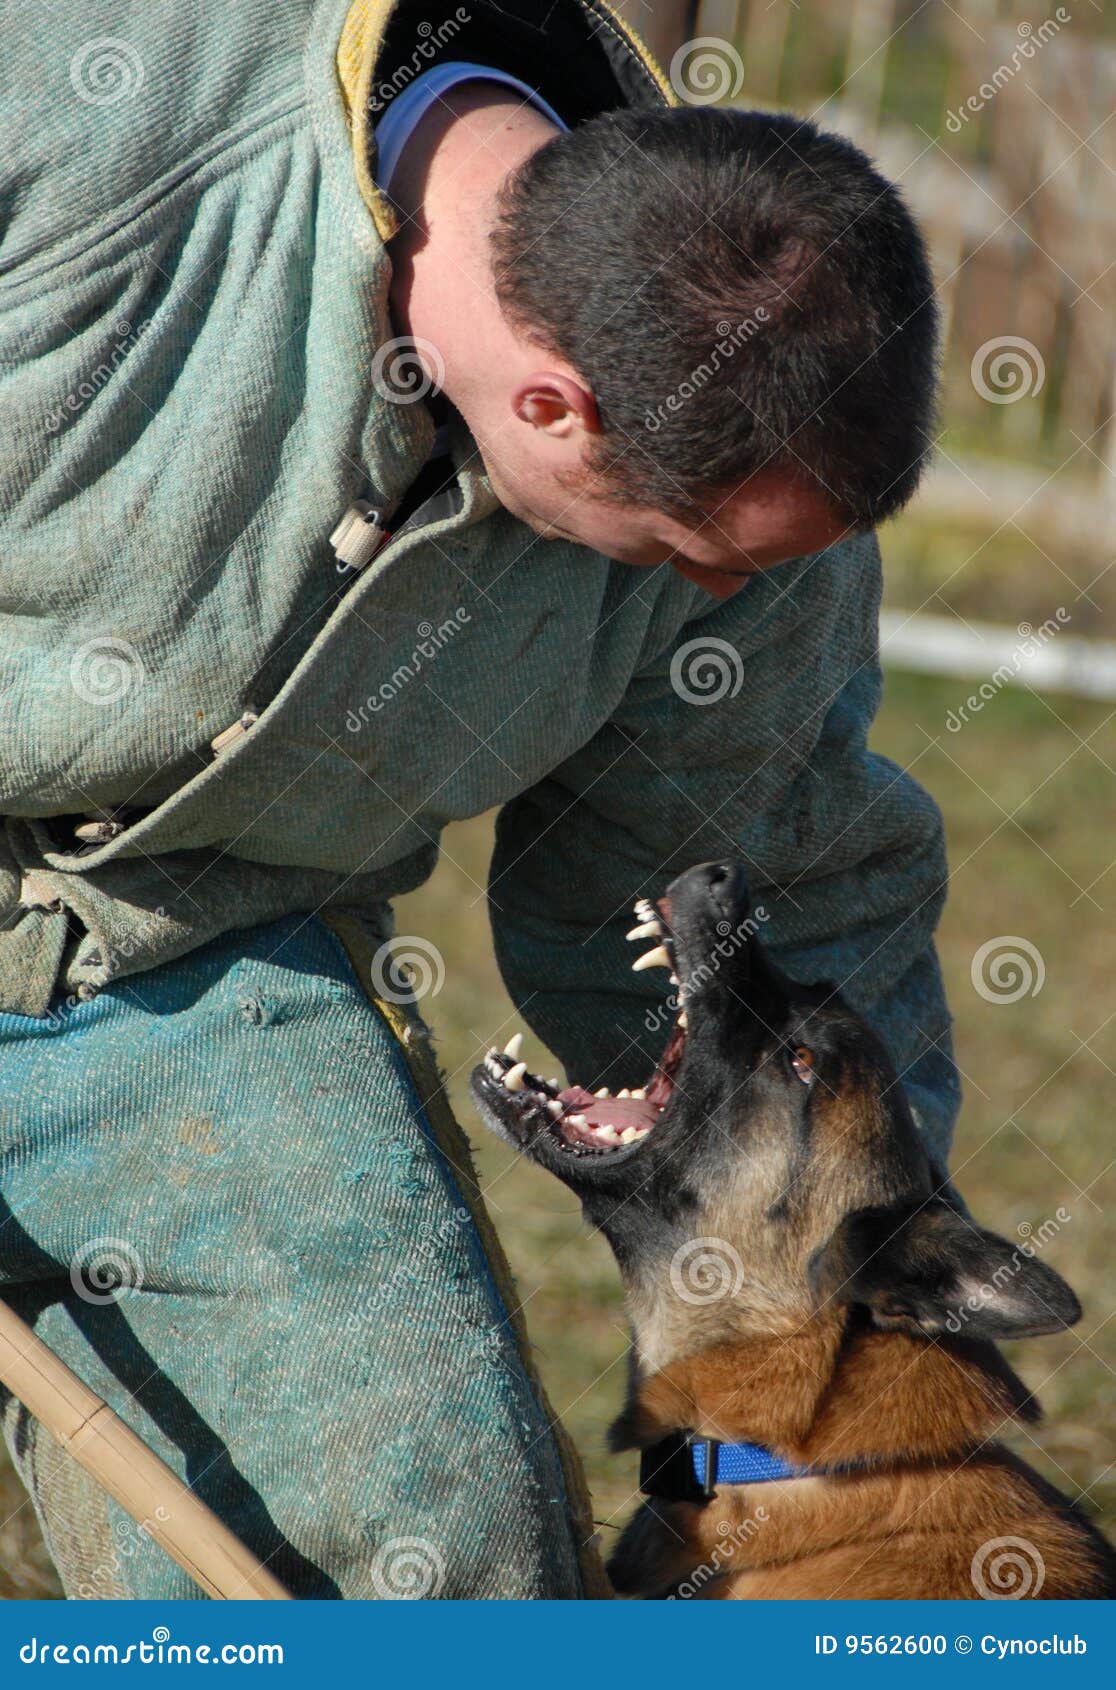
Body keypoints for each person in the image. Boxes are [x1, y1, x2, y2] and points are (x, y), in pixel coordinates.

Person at [0, 0, 955, 1598]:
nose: (724, 597)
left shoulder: (749, 507)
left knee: (441, 1570)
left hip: (175, 963)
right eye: (687, 556)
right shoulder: (85, 109)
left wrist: (853, 1363)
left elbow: (744, 908)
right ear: (554, 410)